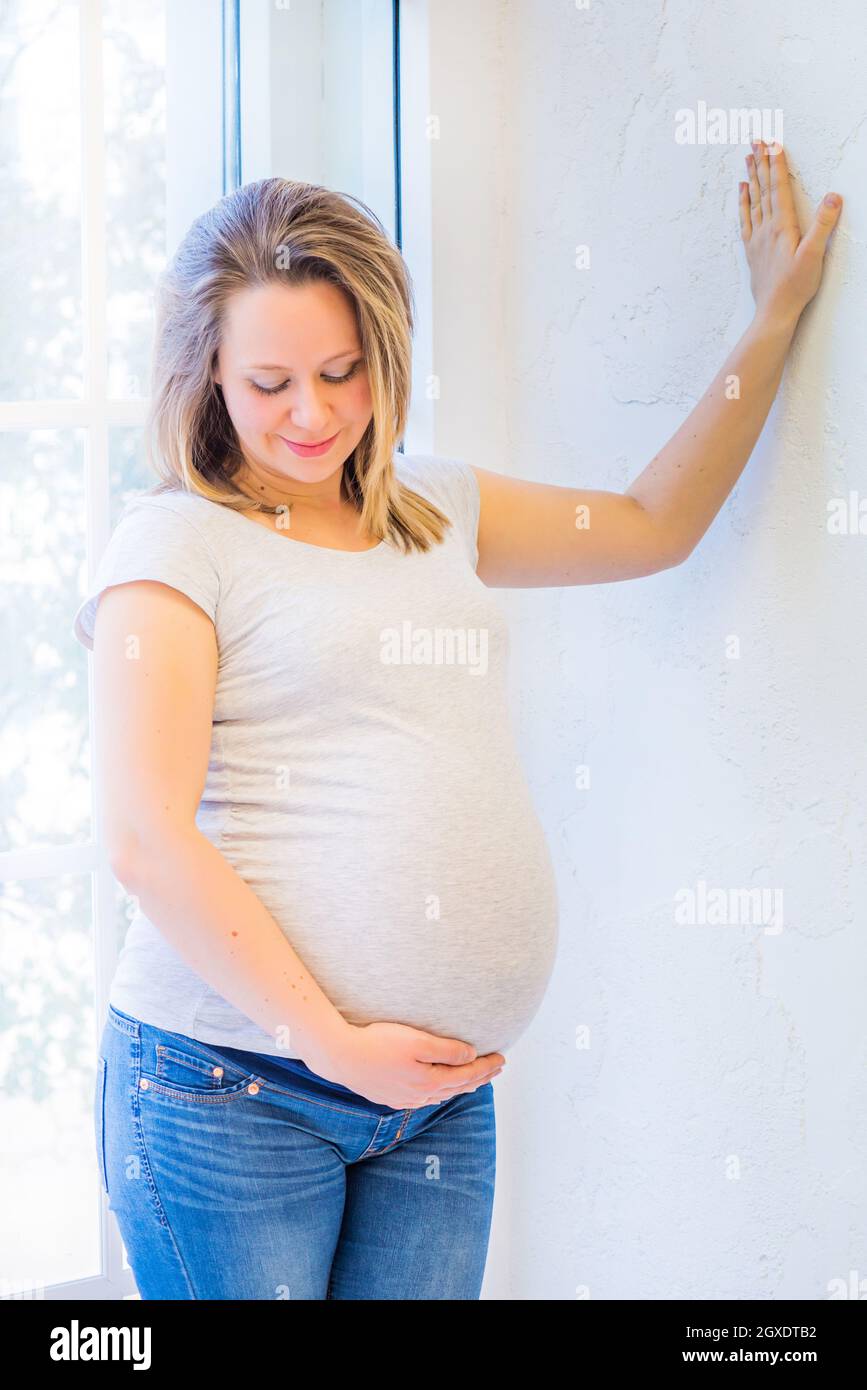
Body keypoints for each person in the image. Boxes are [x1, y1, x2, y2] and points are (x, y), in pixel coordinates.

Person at [75, 148, 841, 1299]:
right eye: (271, 381)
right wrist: (334, 1043)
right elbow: (145, 838)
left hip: (434, 1100)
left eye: (344, 371)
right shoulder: (174, 546)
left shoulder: (435, 508)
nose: (314, 413)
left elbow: (651, 522)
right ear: (209, 374)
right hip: (232, 1090)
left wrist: (774, 319)